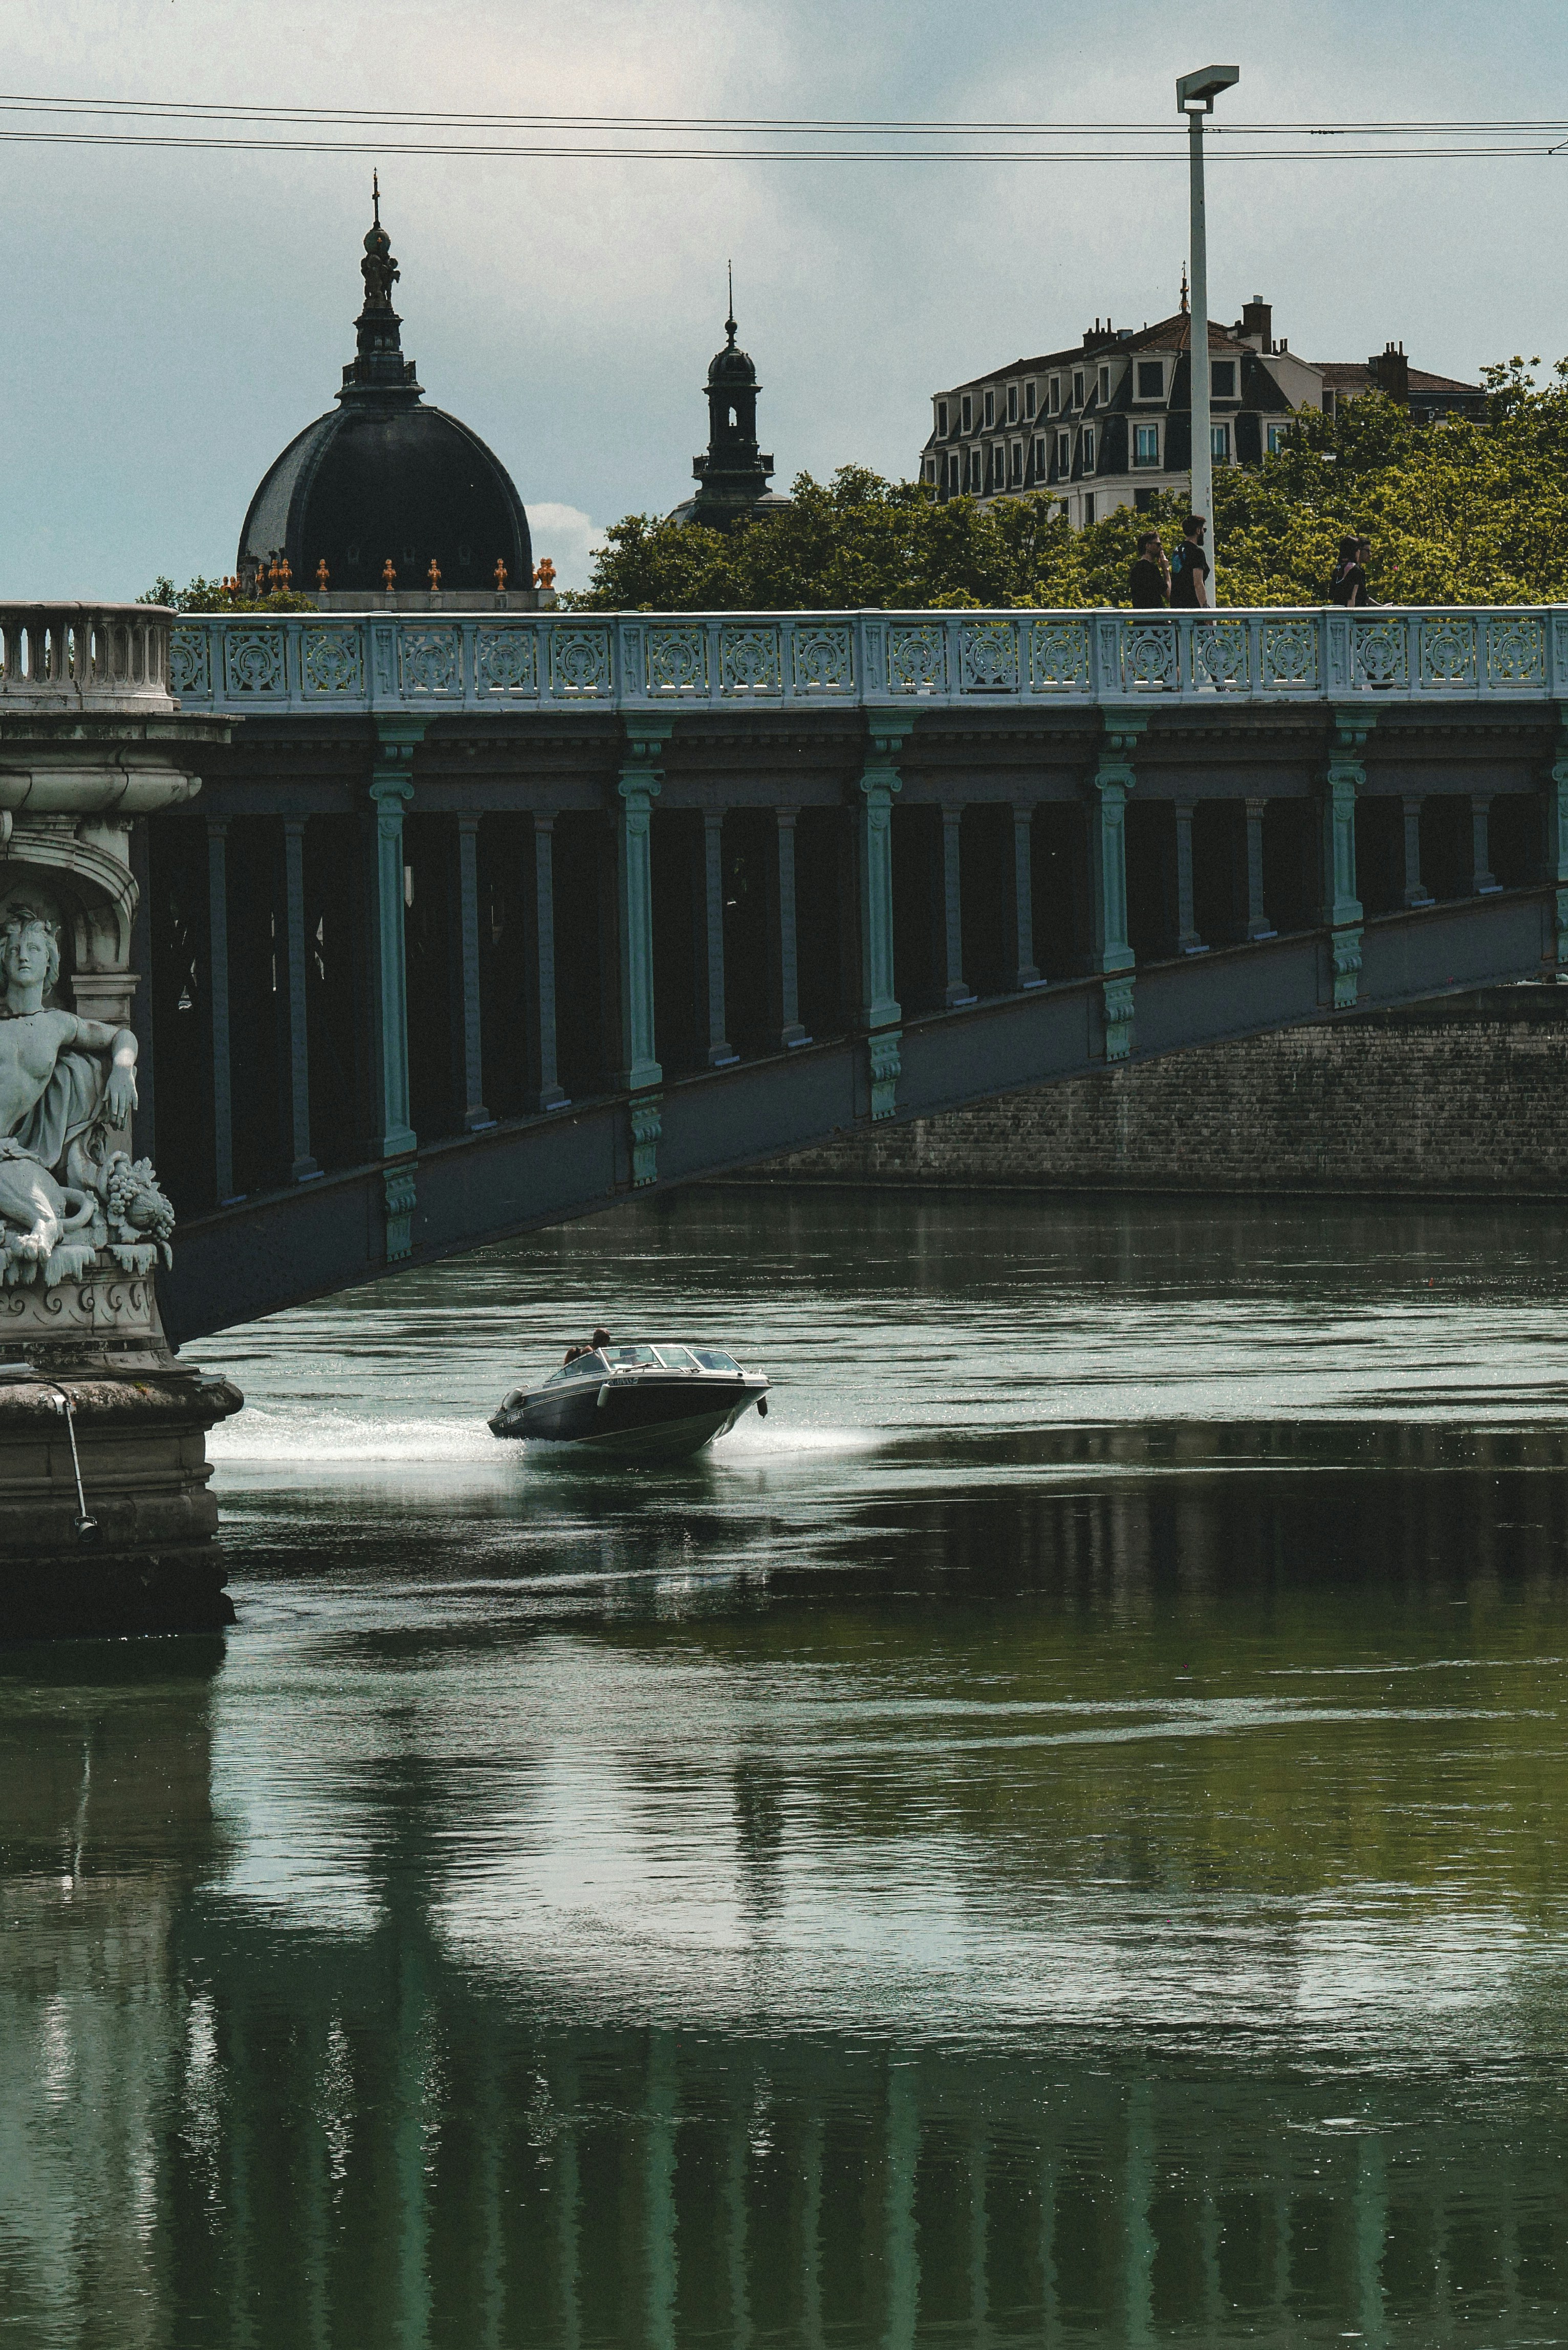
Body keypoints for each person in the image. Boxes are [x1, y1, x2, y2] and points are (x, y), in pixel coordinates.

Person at [1168, 515, 1210, 610]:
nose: (1203, 532)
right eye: (1204, 530)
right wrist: (1205, 611)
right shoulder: (1197, 552)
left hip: (1177, 608)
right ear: (1198, 530)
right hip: (1192, 607)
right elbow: (1198, 583)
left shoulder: (1177, 551)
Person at [1128, 531, 1170, 608]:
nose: (1161, 548)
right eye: (1158, 544)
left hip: (1141, 617)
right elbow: (1169, 595)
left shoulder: (1136, 568)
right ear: (1148, 546)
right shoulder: (1151, 569)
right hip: (1153, 618)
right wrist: (1166, 570)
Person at [1329, 535, 1368, 606]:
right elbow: (1351, 599)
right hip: (1348, 614)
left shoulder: (1338, 568)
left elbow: (1332, 595)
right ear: (1355, 551)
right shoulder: (1356, 570)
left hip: (1336, 612)